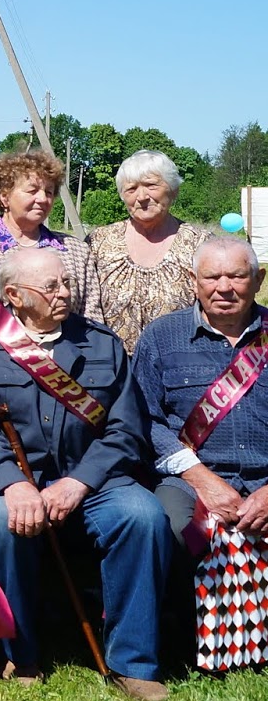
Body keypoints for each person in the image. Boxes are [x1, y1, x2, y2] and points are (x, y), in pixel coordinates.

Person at [0, 247, 170, 701]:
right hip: (11, 478)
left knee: (143, 517)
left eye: (65, 283)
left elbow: (127, 430)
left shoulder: (101, 343)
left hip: (91, 480)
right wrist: (13, 484)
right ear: (13, 295)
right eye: (50, 286)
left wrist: (78, 483)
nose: (64, 293)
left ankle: (134, 663)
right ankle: (18, 652)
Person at [134, 236, 268, 552]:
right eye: (211, 277)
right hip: (188, 481)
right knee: (174, 530)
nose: (224, 287)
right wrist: (200, 480)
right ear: (193, 281)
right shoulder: (161, 336)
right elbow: (143, 418)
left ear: (258, 279)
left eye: (237, 276)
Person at [86, 150, 208, 354]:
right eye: (131, 189)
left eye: (151, 185)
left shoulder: (200, 243)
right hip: (111, 368)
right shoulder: (98, 242)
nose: (142, 197)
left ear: (174, 189)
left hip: (180, 364)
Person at [0, 151, 101, 321]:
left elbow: (92, 320)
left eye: (49, 192)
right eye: (32, 191)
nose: (43, 199)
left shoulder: (76, 251)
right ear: (4, 197)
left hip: (68, 346)